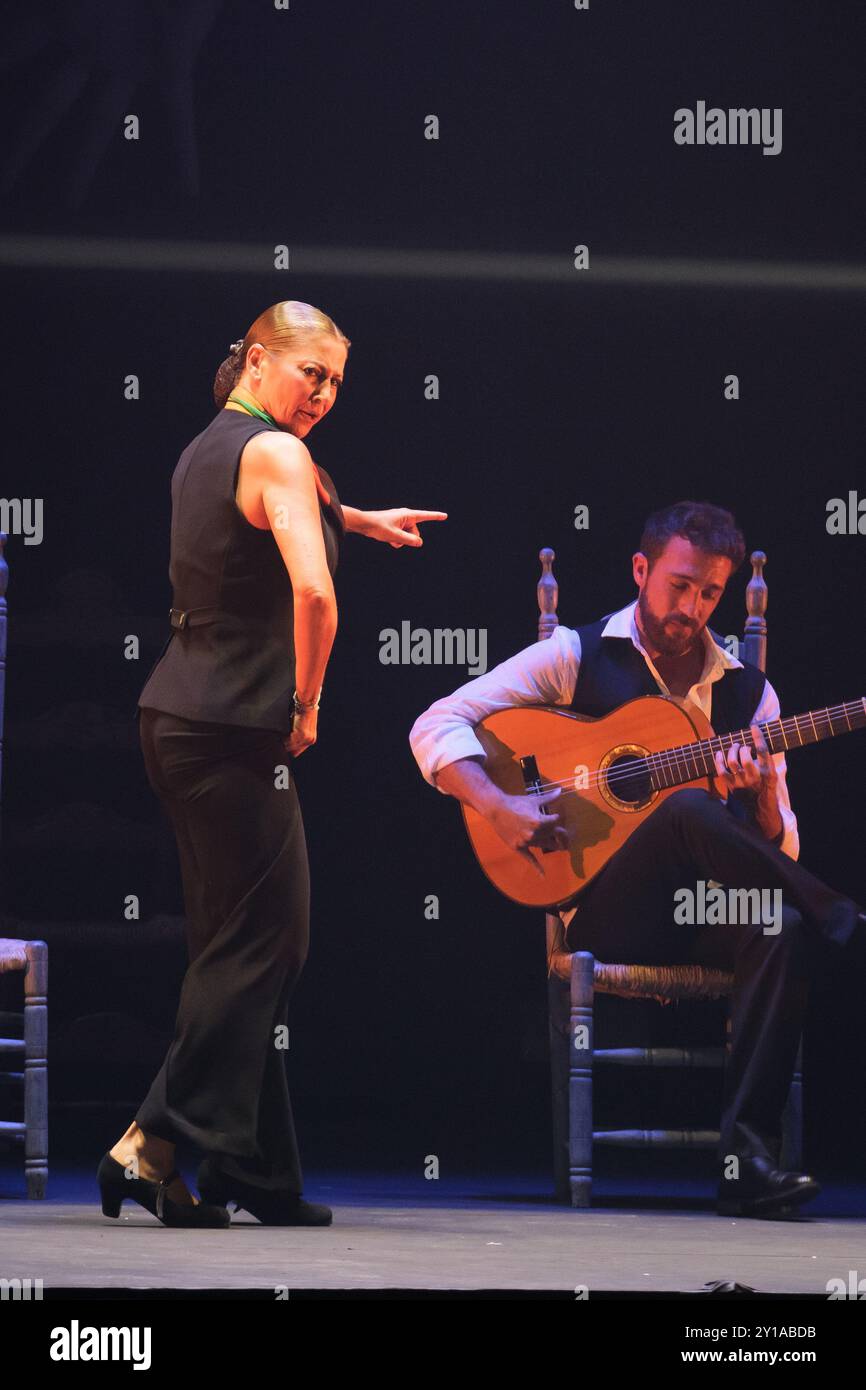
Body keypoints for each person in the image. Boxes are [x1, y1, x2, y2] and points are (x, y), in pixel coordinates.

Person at [409, 500, 865, 1219]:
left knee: (779, 927)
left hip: (707, 911)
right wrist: (503, 807)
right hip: (606, 910)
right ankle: (842, 915)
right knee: (684, 807)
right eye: (680, 586)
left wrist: (762, 803)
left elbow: (783, 846)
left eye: (711, 593)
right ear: (641, 570)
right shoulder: (575, 654)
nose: (693, 607)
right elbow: (436, 722)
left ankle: (746, 1160)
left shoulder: (749, 693)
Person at [97, 299, 446, 1228]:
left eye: (337, 383)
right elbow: (312, 593)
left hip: (180, 717)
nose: (325, 395)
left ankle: (252, 1172)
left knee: (234, 951)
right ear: (258, 360)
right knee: (270, 942)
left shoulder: (213, 445)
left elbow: (260, 522)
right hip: (234, 729)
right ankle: (147, 1142)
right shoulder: (278, 452)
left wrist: (359, 518)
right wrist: (308, 703)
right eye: (311, 374)